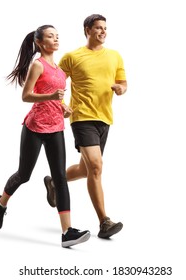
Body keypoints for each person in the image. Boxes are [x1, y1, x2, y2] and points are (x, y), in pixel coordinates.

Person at [0, 25, 90, 248]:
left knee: (60, 178)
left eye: (57, 36)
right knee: (24, 175)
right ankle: (1, 203)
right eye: (50, 36)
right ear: (39, 42)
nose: (55, 39)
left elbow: (56, 96)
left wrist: (62, 106)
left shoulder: (59, 68)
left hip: (56, 127)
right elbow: (26, 96)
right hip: (35, 127)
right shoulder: (38, 65)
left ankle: (67, 233)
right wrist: (51, 96)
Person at [43, 14, 127, 239]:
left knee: (85, 169)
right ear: (87, 30)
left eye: (105, 28)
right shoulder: (72, 57)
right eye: (98, 28)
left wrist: (121, 88)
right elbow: (53, 82)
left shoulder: (115, 56)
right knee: (97, 167)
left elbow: (123, 82)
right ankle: (104, 222)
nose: (103, 32)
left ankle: (53, 182)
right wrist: (61, 105)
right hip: (82, 118)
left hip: (105, 118)